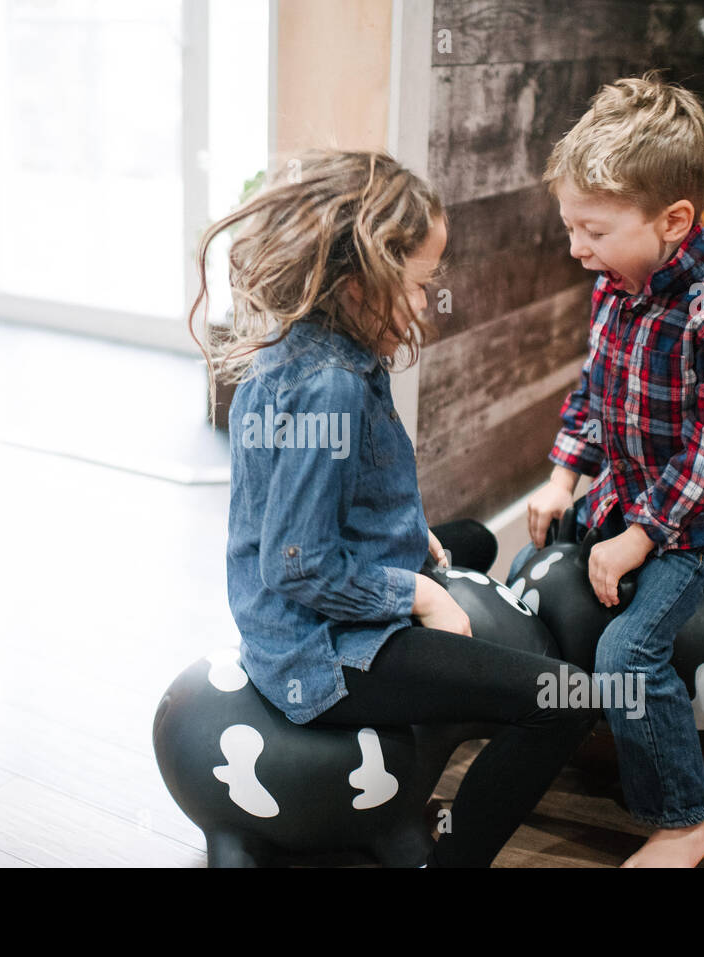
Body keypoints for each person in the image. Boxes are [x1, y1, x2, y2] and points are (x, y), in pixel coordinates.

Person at [189, 149, 599, 868]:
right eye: (416, 286)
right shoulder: (331, 387)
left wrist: (418, 546)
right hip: (318, 653)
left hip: (301, 609)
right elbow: (298, 563)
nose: (422, 305)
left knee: (468, 538)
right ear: (356, 282)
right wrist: (416, 594)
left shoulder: (302, 348)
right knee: (566, 699)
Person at [507, 73, 704, 867]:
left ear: (674, 221)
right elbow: (596, 392)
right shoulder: (616, 288)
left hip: (697, 519)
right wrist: (564, 474)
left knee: (628, 653)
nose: (575, 247)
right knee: (530, 567)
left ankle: (682, 818)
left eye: (591, 228)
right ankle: (562, 726)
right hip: (626, 491)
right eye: (569, 226)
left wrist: (642, 536)